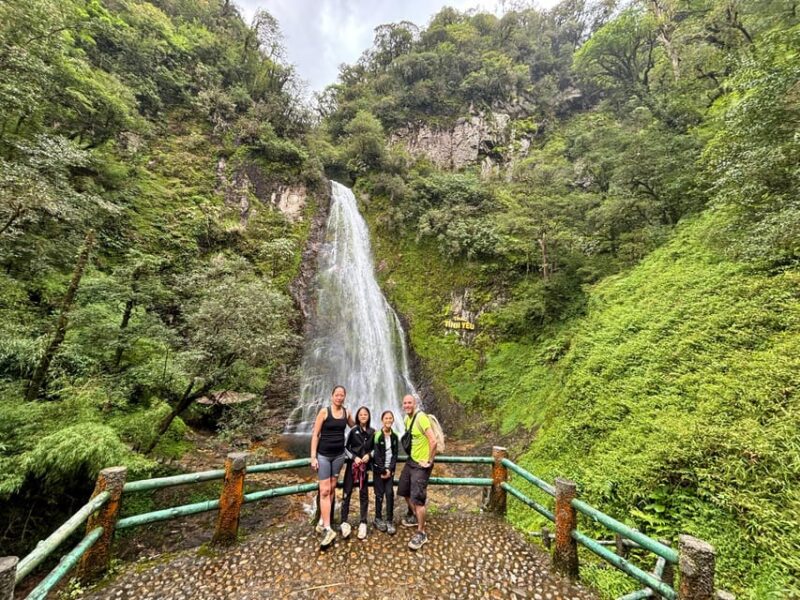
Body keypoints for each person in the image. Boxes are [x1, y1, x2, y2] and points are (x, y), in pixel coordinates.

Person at [310, 385, 355, 548]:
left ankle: (323, 520)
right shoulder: (324, 412)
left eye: (342, 395)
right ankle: (328, 528)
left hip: (339, 456)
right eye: (337, 394)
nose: (339, 397)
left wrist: (371, 435)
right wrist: (313, 456)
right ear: (332, 396)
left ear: (344, 396)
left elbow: (356, 428)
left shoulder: (346, 413)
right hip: (323, 455)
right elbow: (316, 434)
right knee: (324, 490)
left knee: (332, 488)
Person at [397, 394, 437, 550]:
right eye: (405, 403)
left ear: (415, 404)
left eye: (410, 403)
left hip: (421, 465)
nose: (407, 405)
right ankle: (415, 516)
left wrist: (429, 461)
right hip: (411, 461)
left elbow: (433, 440)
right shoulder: (407, 419)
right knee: (404, 490)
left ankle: (421, 532)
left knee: (418, 499)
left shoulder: (421, 418)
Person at [341, 406, 375, 540]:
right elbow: (345, 448)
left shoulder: (373, 432)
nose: (363, 416)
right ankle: (344, 521)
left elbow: (376, 448)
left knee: (364, 493)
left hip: (364, 468)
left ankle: (363, 522)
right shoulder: (353, 431)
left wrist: (369, 455)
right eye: (361, 414)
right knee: (347, 491)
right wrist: (354, 457)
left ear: (369, 416)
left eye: (365, 414)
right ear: (357, 417)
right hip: (352, 466)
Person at [372, 410, 398, 535]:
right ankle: (377, 518)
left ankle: (389, 520)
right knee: (379, 495)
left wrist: (390, 469)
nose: (388, 420)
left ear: (393, 420)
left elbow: (395, 454)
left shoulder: (395, 436)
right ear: (382, 420)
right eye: (386, 418)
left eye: (390, 418)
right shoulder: (378, 435)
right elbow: (376, 455)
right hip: (379, 471)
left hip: (390, 471)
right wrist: (382, 470)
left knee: (390, 494)